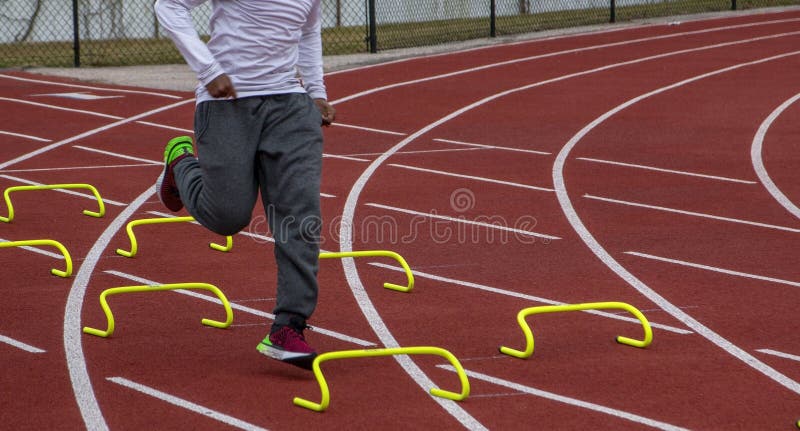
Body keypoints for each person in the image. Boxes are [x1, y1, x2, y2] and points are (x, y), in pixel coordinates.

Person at [153, 0, 336, 370]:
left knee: (300, 218)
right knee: (227, 216)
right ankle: (180, 163)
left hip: (290, 104)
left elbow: (308, 29)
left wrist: (317, 92)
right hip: (227, 101)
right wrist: (208, 69)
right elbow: (169, 6)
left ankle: (289, 326)